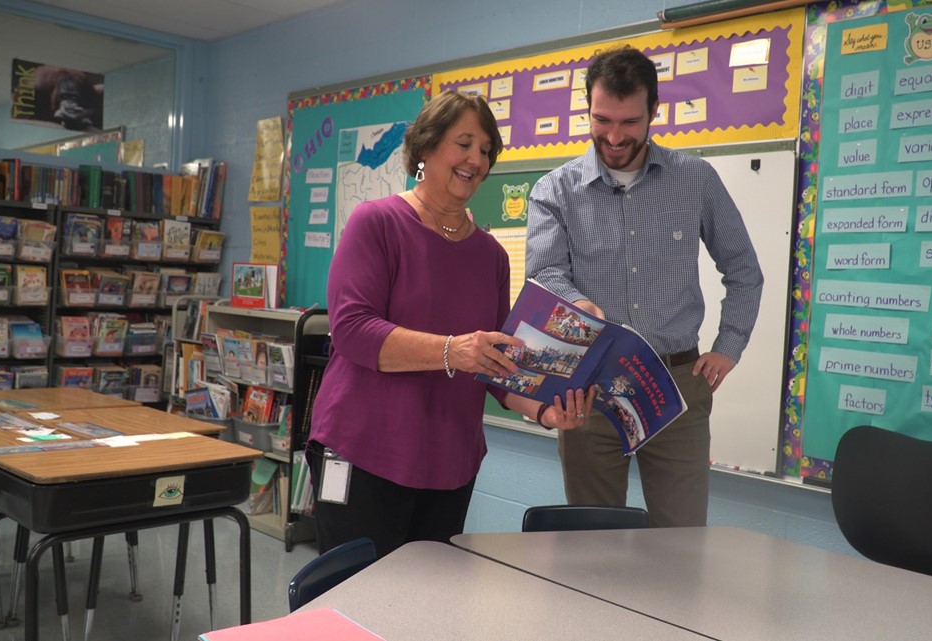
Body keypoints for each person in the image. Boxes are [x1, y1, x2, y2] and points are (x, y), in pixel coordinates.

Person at [308, 91, 593, 557]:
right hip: (365, 453)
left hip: (449, 463)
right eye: (463, 144)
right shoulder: (376, 222)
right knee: (354, 607)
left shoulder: (492, 256)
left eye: (485, 150)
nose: (475, 159)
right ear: (425, 149)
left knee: (425, 611)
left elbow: (495, 362)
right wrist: (450, 351)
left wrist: (544, 412)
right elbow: (352, 330)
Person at [525, 46, 764, 528]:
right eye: (601, 119)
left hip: (676, 386)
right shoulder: (554, 190)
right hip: (588, 390)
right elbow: (545, 274)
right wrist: (578, 303)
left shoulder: (695, 180)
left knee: (682, 538)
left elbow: (743, 269)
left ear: (654, 112)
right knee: (594, 542)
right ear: (588, 110)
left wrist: (730, 345)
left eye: (629, 122)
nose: (614, 136)